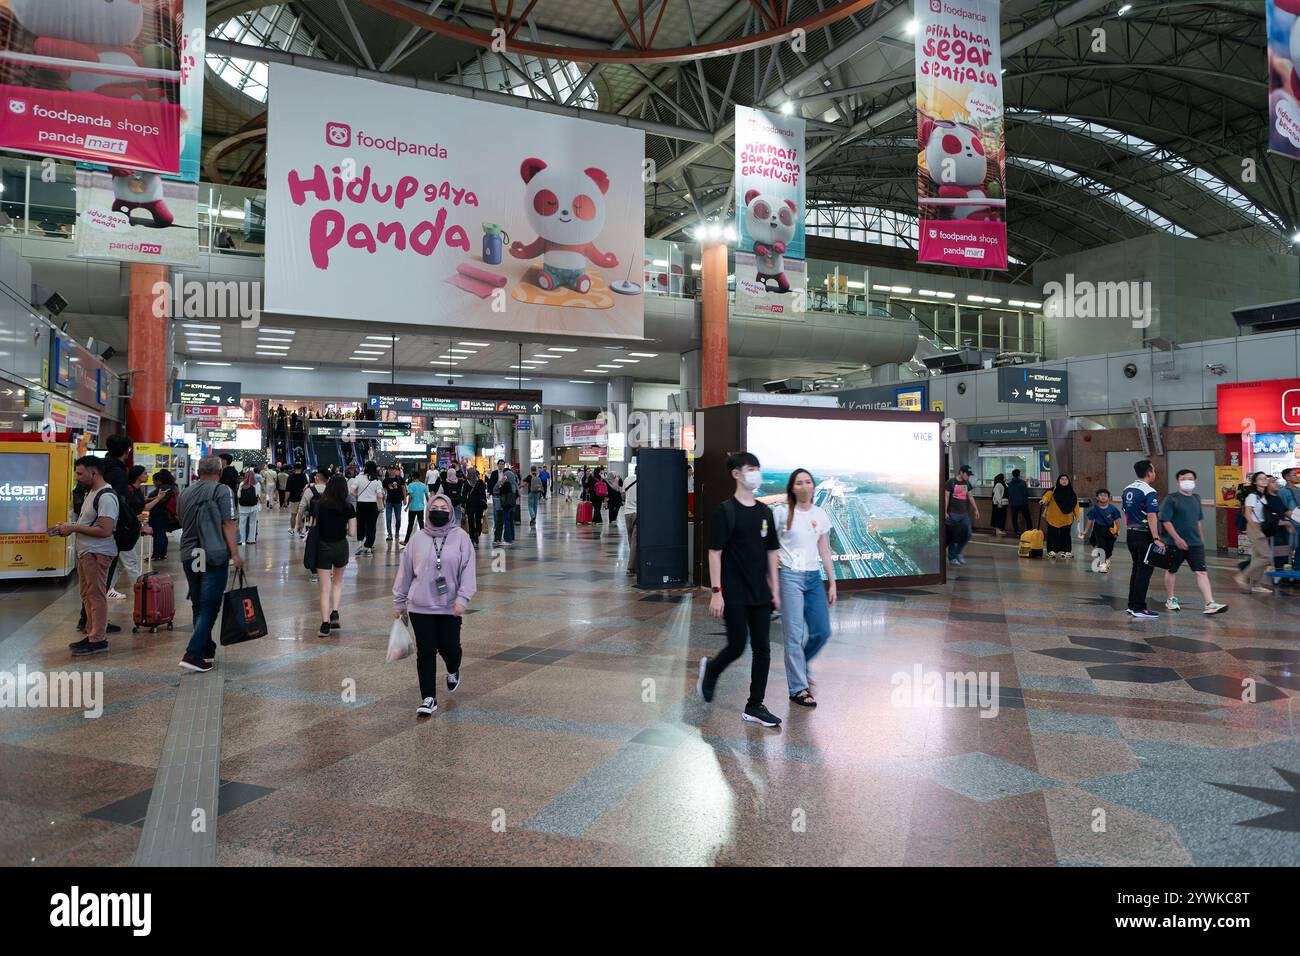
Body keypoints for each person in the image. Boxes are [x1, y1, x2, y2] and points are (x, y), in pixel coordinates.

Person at [698, 452, 782, 729]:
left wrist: (775, 589)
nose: (755, 474)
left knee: (763, 649)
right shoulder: (726, 511)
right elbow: (714, 553)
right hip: (733, 591)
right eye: (750, 469)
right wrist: (716, 591)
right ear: (736, 473)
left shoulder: (764, 512)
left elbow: (771, 552)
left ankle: (755, 705)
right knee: (736, 646)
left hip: (760, 592)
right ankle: (711, 670)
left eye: (758, 468)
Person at [393, 493, 478, 717]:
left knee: (450, 648)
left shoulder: (461, 537)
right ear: (428, 510)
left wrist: (462, 599)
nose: (438, 510)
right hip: (420, 606)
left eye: (443, 507)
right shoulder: (417, 539)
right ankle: (428, 697)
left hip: (450, 606)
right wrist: (399, 602)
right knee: (426, 651)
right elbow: (405, 573)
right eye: (435, 506)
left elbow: (468, 571)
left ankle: (453, 669)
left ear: (450, 512)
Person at [772, 469, 837, 709]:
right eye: (799, 483)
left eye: (808, 481)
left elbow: (825, 551)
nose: (804, 486)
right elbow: (770, 548)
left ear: (814, 486)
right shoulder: (781, 513)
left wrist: (832, 582)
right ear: (792, 488)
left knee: (822, 631)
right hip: (789, 576)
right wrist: (773, 584)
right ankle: (798, 688)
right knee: (793, 635)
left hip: (813, 578)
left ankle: (802, 664)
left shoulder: (820, 514)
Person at [176, 455, 243, 673]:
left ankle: (205, 649)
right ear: (220, 472)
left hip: (190, 553)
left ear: (197, 471)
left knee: (198, 602)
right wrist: (235, 554)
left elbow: (181, 519)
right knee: (210, 605)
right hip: (213, 554)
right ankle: (193, 652)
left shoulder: (185, 492)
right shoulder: (222, 491)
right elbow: (228, 523)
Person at [57, 456, 119, 657]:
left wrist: (73, 527)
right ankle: (93, 633)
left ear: (94, 473)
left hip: (97, 553)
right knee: (87, 595)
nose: (77, 477)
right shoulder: (92, 493)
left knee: (96, 595)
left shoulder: (106, 496)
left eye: (80, 473)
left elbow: (105, 530)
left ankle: (98, 639)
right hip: (86, 552)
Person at [1159, 469, 1227, 614]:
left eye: (1190, 478)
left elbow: (1197, 521)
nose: (1187, 481)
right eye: (1183, 478)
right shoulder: (1171, 499)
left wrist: (1201, 538)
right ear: (1178, 481)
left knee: (1202, 572)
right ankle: (1171, 599)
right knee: (1171, 570)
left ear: (1195, 482)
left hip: (1195, 543)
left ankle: (1210, 603)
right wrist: (1177, 538)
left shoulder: (1196, 498)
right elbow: (1165, 521)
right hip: (1174, 543)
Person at [1122, 459, 1165, 619]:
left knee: (1136, 569)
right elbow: (1152, 515)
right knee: (1144, 571)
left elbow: (1126, 512)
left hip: (1131, 534)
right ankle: (1139, 607)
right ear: (1149, 473)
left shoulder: (1127, 489)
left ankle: (1132, 605)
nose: (1155, 473)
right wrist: (1156, 538)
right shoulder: (1149, 491)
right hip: (1144, 535)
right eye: (1154, 470)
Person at [313, 475, 356, 636]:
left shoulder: (320, 505)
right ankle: (335, 613)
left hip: (324, 546)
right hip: (341, 546)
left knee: (324, 588)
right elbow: (352, 533)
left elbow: (314, 526)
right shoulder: (348, 507)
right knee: (337, 582)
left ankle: (325, 625)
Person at [1235, 471, 1275, 593]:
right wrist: (1255, 528)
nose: (1264, 480)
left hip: (1261, 527)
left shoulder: (1263, 496)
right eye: (1260, 479)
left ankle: (1256, 584)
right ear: (1255, 482)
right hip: (1254, 527)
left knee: (1257, 557)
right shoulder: (1252, 496)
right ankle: (1242, 576)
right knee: (1266, 556)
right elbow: (1247, 513)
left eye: (1265, 478)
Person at [944, 464, 979, 567]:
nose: (968, 476)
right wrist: (945, 511)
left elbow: (970, 497)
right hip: (953, 514)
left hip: (964, 514)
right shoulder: (950, 482)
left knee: (967, 534)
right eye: (967, 474)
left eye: (969, 475)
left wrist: (976, 509)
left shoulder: (967, 483)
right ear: (961, 473)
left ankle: (958, 553)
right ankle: (952, 558)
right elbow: (946, 497)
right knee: (954, 537)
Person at [1040, 474, 1080, 560]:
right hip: (1053, 518)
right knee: (1052, 535)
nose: (1064, 481)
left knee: (1066, 535)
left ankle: (1066, 551)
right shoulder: (1053, 491)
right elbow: (1046, 497)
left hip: (1067, 518)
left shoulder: (1071, 493)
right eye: (1062, 479)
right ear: (1059, 480)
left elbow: (1075, 505)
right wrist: (1043, 501)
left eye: (1066, 479)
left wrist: (1077, 516)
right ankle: (1051, 551)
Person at [1079, 488, 1120, 572]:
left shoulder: (1113, 509)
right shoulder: (1094, 509)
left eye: (1105, 495)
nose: (1103, 497)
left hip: (1110, 529)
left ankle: (1106, 560)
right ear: (1097, 498)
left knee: (1109, 548)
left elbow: (1117, 520)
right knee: (1102, 546)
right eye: (1101, 495)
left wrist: (1117, 530)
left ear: (1108, 497)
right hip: (1099, 529)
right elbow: (1090, 520)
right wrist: (1085, 531)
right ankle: (1103, 565)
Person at [143, 468, 179, 560]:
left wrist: (148, 499)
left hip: (159, 514)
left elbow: (161, 499)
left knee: (158, 535)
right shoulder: (172, 486)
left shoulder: (164, 488)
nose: (153, 482)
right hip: (163, 514)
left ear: (159, 480)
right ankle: (162, 553)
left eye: (154, 481)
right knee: (161, 534)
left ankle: (156, 555)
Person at [350, 462, 383, 554]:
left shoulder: (358, 478)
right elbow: (380, 496)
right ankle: (368, 547)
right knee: (371, 526)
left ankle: (360, 545)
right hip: (372, 505)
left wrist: (358, 495)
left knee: (360, 524)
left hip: (361, 504)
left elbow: (351, 491)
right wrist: (374, 495)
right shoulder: (377, 480)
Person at [488, 460, 516, 545]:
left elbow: (498, 488)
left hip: (504, 502)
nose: (501, 465)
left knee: (504, 519)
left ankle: (507, 539)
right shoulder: (513, 484)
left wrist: (499, 487)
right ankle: (511, 537)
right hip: (510, 502)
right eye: (500, 464)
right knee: (509, 519)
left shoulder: (505, 483)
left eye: (503, 464)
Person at [403, 470, 429, 545]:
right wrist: (429, 506)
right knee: (421, 524)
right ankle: (425, 540)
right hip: (420, 508)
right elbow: (427, 497)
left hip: (412, 508)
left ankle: (406, 541)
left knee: (410, 524)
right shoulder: (424, 485)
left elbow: (410, 496)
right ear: (419, 477)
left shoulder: (410, 485)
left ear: (413, 477)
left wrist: (407, 506)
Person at [463, 467, 488, 548]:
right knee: (478, 519)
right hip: (479, 504)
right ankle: (477, 532)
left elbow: (464, 495)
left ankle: (472, 536)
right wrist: (485, 502)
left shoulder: (466, 483)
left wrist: (463, 505)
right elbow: (483, 494)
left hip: (470, 504)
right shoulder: (480, 482)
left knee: (470, 520)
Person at [383, 465, 407, 544]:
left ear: (395, 470)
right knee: (388, 518)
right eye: (390, 469)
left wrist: (404, 499)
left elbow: (404, 488)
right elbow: (384, 491)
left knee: (398, 518)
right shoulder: (385, 480)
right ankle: (390, 534)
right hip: (389, 501)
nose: (391, 471)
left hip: (398, 501)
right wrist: (383, 500)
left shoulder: (399, 479)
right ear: (388, 470)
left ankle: (397, 531)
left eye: (393, 469)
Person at [237, 468, 261, 545]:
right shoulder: (257, 484)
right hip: (254, 507)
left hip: (243, 507)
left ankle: (241, 540)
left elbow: (238, 495)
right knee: (253, 523)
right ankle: (251, 540)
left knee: (242, 524)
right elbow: (258, 495)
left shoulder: (242, 484)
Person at [286, 463, 309, 535]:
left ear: (294, 469)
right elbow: (307, 486)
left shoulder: (290, 477)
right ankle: (301, 531)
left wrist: (285, 500)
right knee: (302, 515)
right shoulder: (305, 476)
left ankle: (292, 529)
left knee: (293, 514)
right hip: (303, 498)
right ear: (301, 469)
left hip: (293, 498)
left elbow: (288, 490)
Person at [623, 473, 639, 575]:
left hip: (627, 513)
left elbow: (623, 494)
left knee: (630, 539)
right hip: (638, 513)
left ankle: (634, 561)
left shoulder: (627, 479)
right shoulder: (644, 481)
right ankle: (632, 567)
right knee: (635, 541)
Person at [1007, 469, 1031, 534]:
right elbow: (1026, 493)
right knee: (1027, 517)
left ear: (1013, 475)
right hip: (1023, 503)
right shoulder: (1022, 483)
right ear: (1019, 474)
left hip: (1013, 503)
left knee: (1014, 518)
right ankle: (1029, 529)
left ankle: (1016, 531)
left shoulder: (1010, 484)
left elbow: (1009, 493)